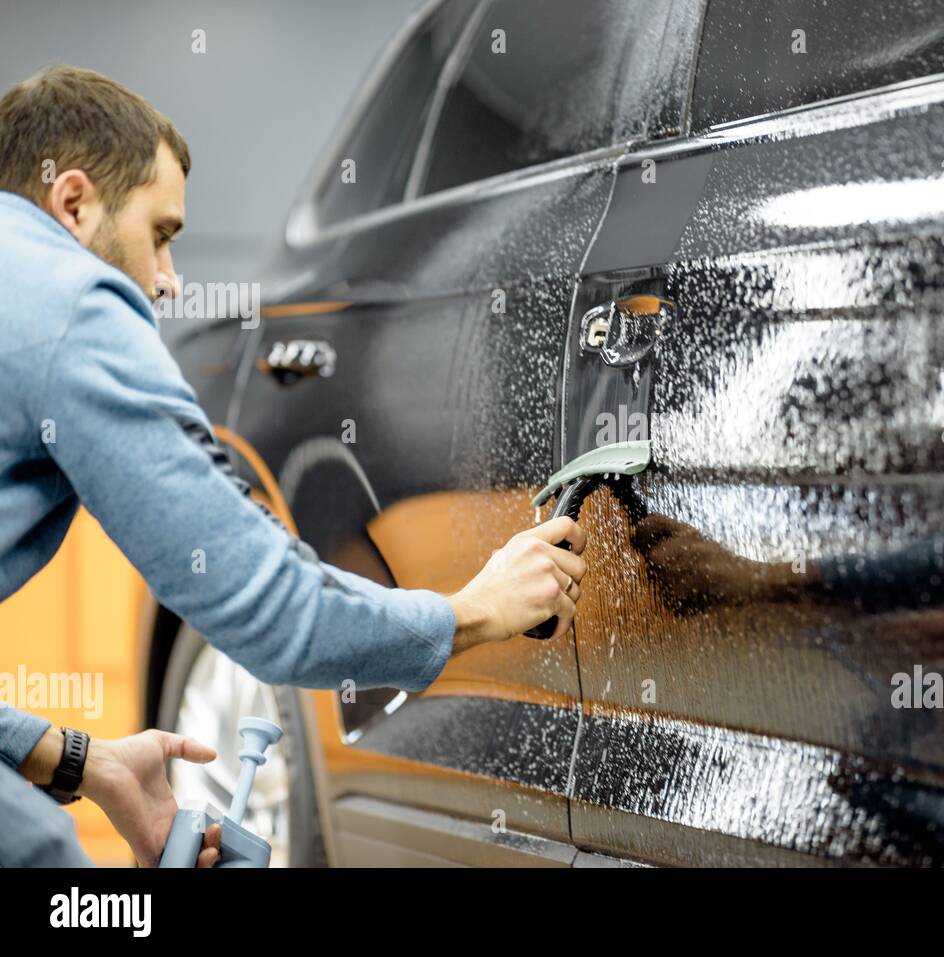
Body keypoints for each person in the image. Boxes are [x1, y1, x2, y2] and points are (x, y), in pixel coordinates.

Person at [0, 65, 587, 866]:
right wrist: (472, 611)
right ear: (73, 203)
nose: (169, 283)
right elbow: (272, 606)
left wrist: (80, 760)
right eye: (161, 234)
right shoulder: (70, 303)